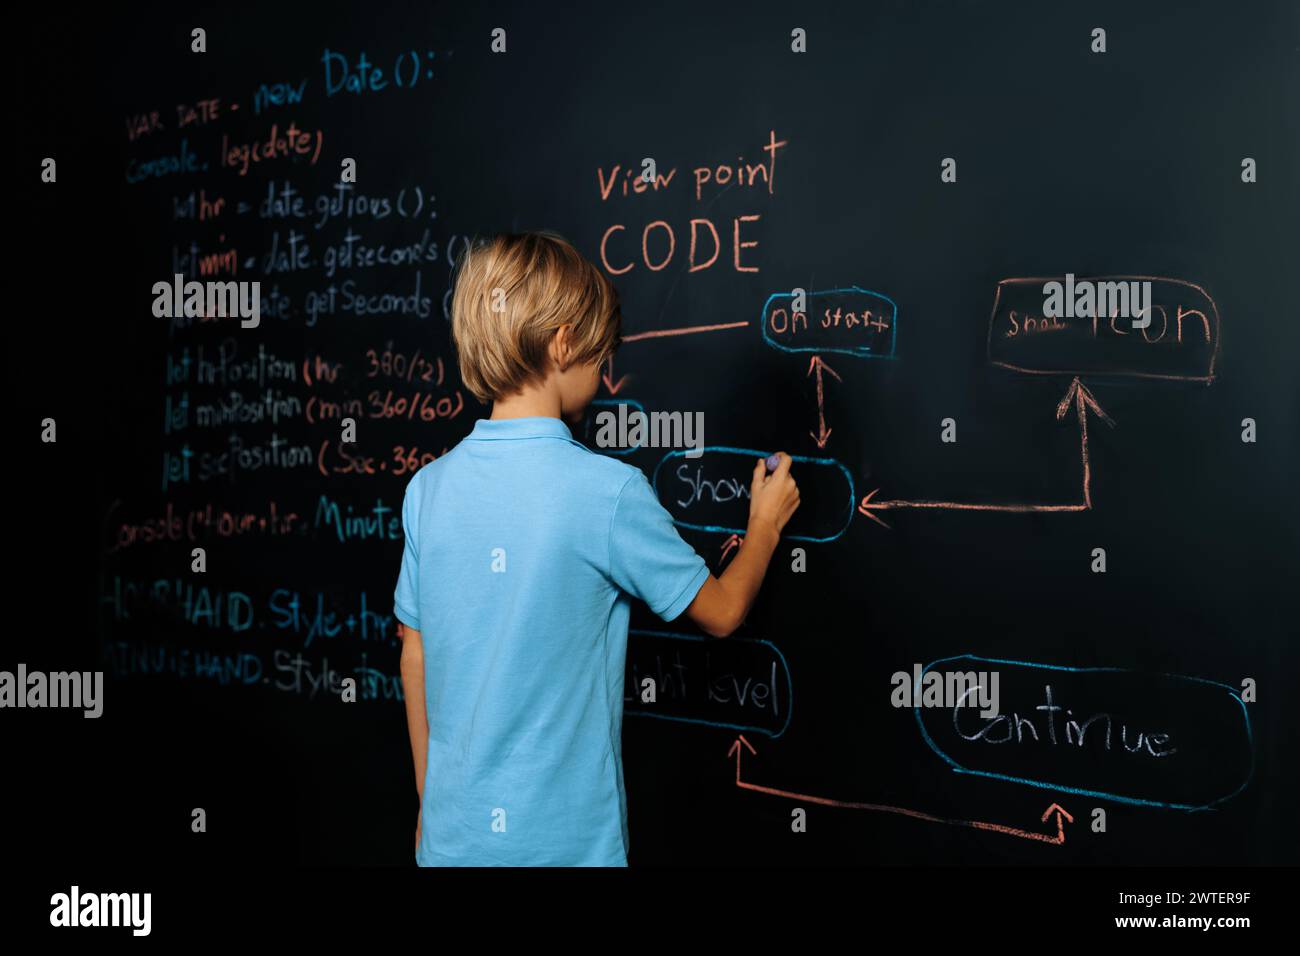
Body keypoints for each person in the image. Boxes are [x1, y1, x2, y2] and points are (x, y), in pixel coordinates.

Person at [393, 231, 800, 865]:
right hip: (565, 850)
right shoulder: (605, 492)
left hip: (452, 840)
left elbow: (413, 653)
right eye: (600, 355)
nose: (605, 373)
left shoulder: (427, 490)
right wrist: (767, 524)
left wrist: (428, 797)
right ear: (562, 343)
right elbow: (721, 612)